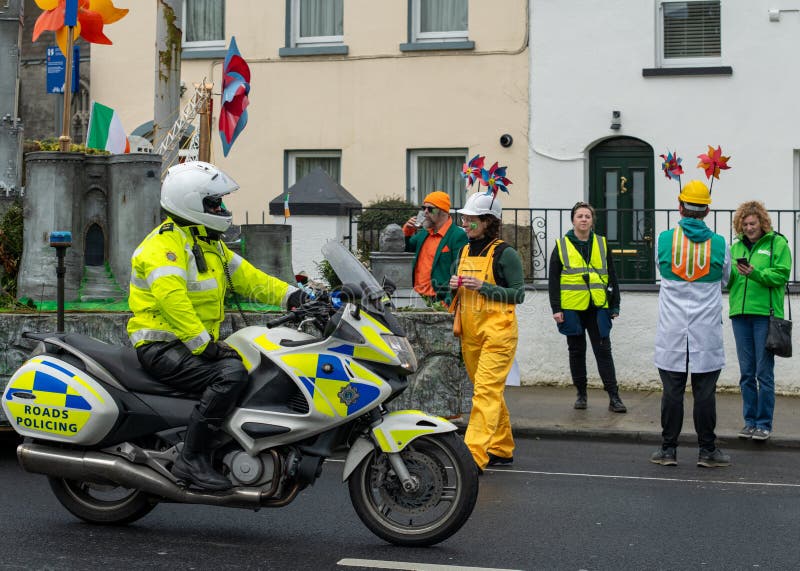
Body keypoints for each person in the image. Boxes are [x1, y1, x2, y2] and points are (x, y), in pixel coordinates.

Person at [127, 161, 307, 491]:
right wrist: (203, 345)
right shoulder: (163, 247)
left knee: (257, 364)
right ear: (190, 202)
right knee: (231, 375)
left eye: (220, 202)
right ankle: (191, 459)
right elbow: (173, 301)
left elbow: (255, 281)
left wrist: (298, 297)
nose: (222, 208)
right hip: (162, 346)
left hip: (187, 344)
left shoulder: (211, 246)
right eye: (214, 203)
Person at [650, 180, 731, 468]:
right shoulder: (720, 244)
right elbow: (726, 281)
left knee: (672, 392)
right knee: (704, 394)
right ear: (708, 210)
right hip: (706, 331)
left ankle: (668, 450)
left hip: (672, 330)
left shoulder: (664, 240)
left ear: (679, 206)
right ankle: (707, 451)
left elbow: (659, 270)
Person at [448, 192, 524, 471]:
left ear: (488, 221)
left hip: (498, 333)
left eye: (471, 218)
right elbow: (456, 290)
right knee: (488, 392)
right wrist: (454, 284)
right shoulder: (464, 250)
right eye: (465, 218)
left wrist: (483, 287)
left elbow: (518, 294)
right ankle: (501, 448)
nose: (465, 223)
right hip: (470, 331)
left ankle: (472, 458)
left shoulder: (506, 254)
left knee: (484, 393)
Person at [548, 202, 627, 413]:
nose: (584, 219)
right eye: (580, 216)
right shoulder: (562, 245)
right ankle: (581, 394)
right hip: (571, 307)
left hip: (598, 306)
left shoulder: (601, 243)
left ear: (592, 221)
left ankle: (614, 397)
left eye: (587, 216)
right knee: (576, 351)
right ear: (573, 220)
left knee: (603, 351)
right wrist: (556, 308)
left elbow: (612, 276)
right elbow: (553, 280)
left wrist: (615, 305)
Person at [728, 201, 791, 441]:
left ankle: (764, 424)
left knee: (763, 373)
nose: (749, 228)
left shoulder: (778, 243)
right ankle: (749, 422)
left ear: (762, 222)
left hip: (765, 316)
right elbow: (729, 278)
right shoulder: (735, 247)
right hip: (740, 315)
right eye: (744, 224)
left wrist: (754, 273)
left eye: (752, 223)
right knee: (746, 373)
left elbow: (781, 274)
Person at [403, 191, 468, 304]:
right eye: (424, 208)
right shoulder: (424, 233)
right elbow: (405, 250)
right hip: (416, 297)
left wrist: (448, 301)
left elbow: (460, 271)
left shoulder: (457, 235)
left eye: (430, 209)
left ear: (443, 212)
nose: (425, 212)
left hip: (439, 301)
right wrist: (407, 231)